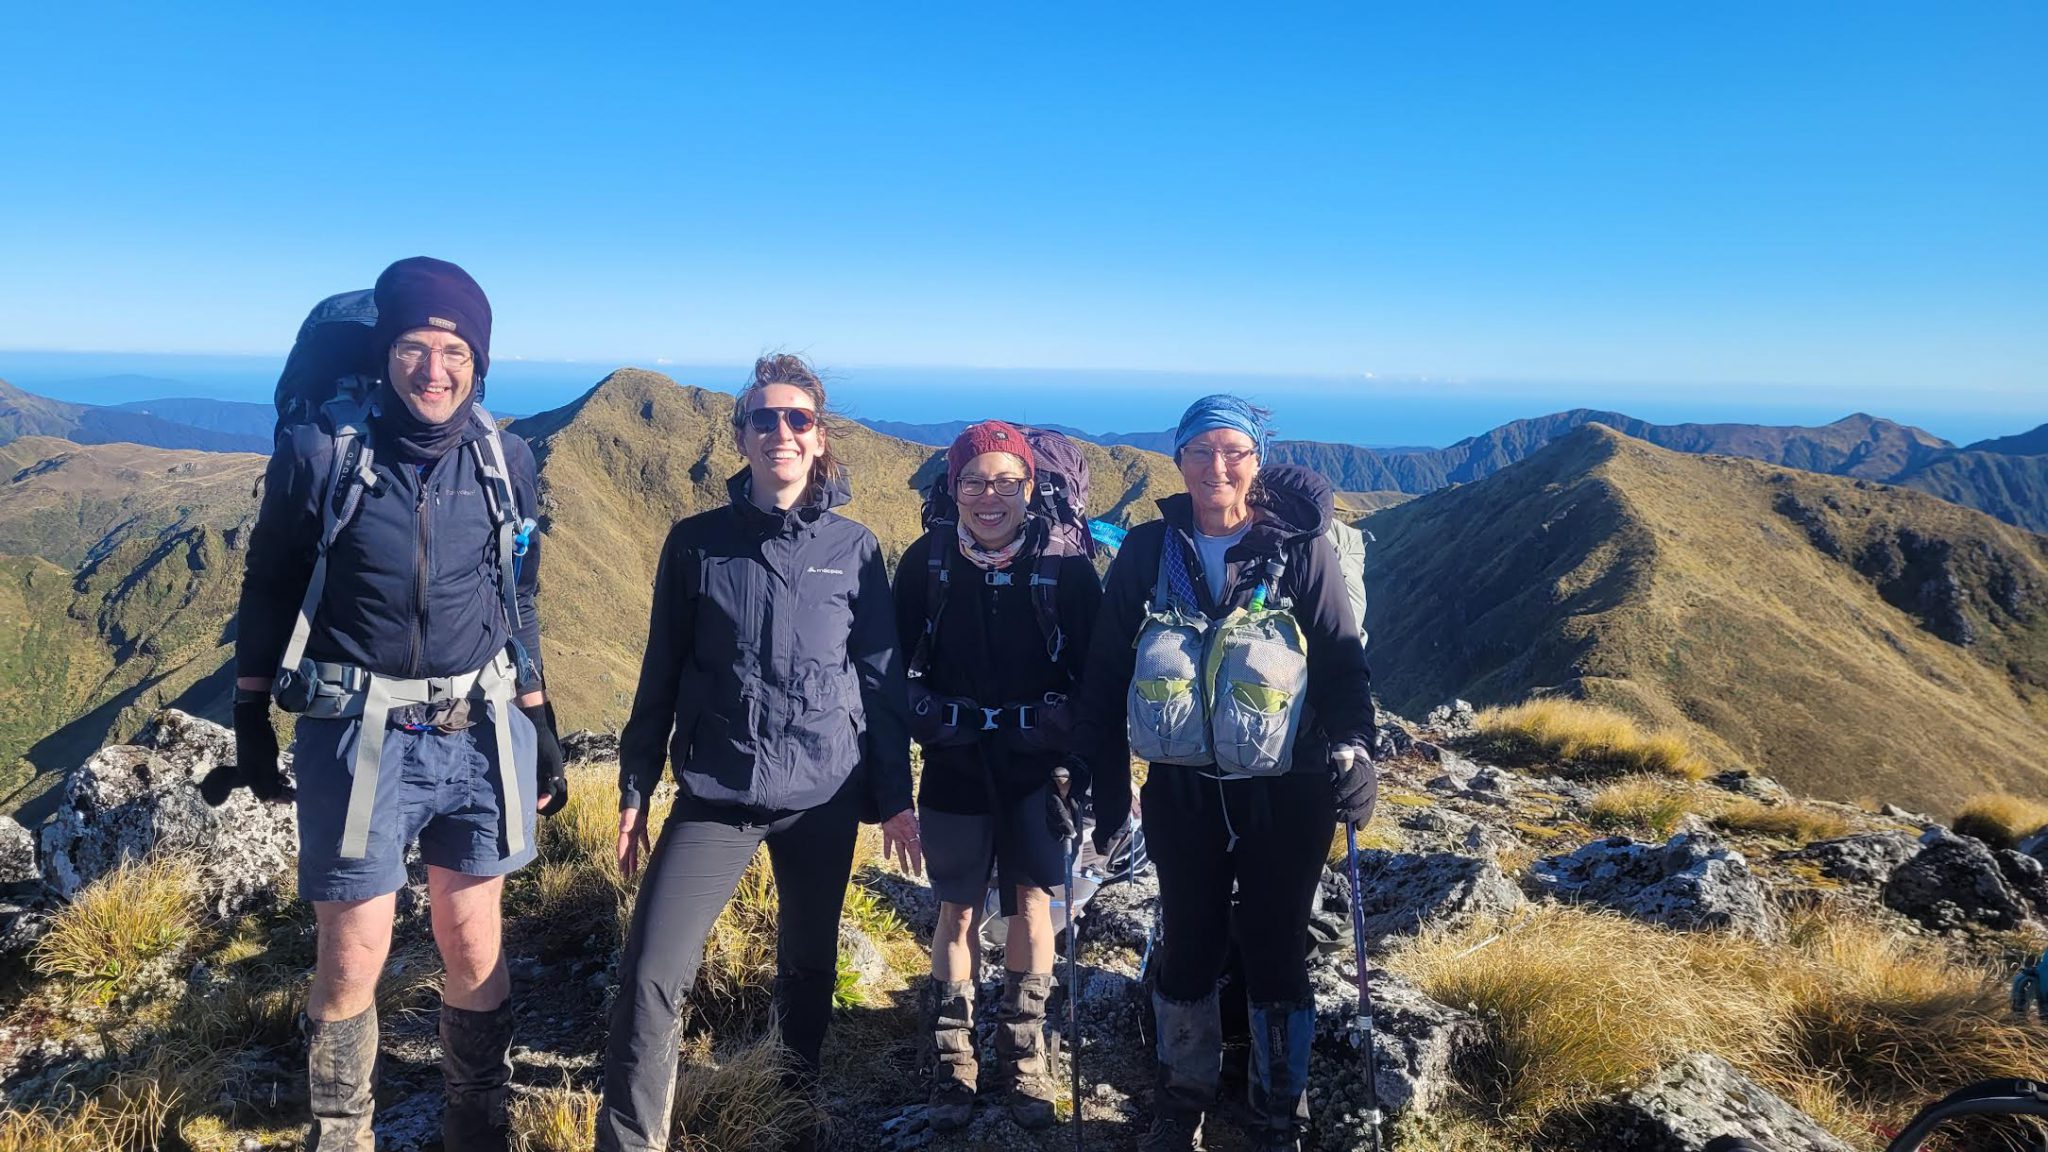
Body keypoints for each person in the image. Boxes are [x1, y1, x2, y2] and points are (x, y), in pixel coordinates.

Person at [222, 256, 566, 1152]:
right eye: (414, 346)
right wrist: (251, 716)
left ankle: (476, 1127)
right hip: (359, 734)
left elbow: (517, 595)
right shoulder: (319, 454)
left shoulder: (507, 460)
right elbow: (269, 585)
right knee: (354, 952)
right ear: (384, 355)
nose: (434, 369)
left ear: (478, 363)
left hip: (480, 733)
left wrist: (541, 718)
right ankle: (341, 1134)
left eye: (454, 350)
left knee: (473, 939)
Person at [597, 354, 920, 1152]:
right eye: (764, 419)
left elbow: (880, 685)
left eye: (798, 419)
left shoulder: (855, 550)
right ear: (740, 435)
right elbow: (660, 671)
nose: (781, 431)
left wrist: (897, 798)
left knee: (808, 969)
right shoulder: (696, 544)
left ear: (820, 440)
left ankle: (792, 1112)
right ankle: (632, 1140)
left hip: (824, 792)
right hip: (718, 791)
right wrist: (635, 785)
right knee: (650, 973)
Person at [1076, 394, 1377, 1152]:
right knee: (1190, 940)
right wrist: (1104, 793)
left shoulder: (1301, 550)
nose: (1218, 467)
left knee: (1277, 944)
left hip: (1290, 790)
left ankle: (1281, 1105)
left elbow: (1342, 662)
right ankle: (1185, 1095)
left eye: (1234, 452)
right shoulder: (1147, 553)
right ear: (1177, 461)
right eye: (1201, 451)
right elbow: (1105, 674)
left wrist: (1358, 750)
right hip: (1182, 794)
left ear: (1257, 462)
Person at [893, 421, 1104, 1131]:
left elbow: (1096, 679)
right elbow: (886, 672)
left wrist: (1088, 770)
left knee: (1033, 905)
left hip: (1037, 772)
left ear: (1030, 487)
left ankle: (1021, 1056)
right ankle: (954, 1062)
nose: (990, 497)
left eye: (1006, 483)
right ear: (952, 489)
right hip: (953, 764)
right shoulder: (926, 562)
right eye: (975, 482)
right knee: (954, 909)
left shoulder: (1068, 571)